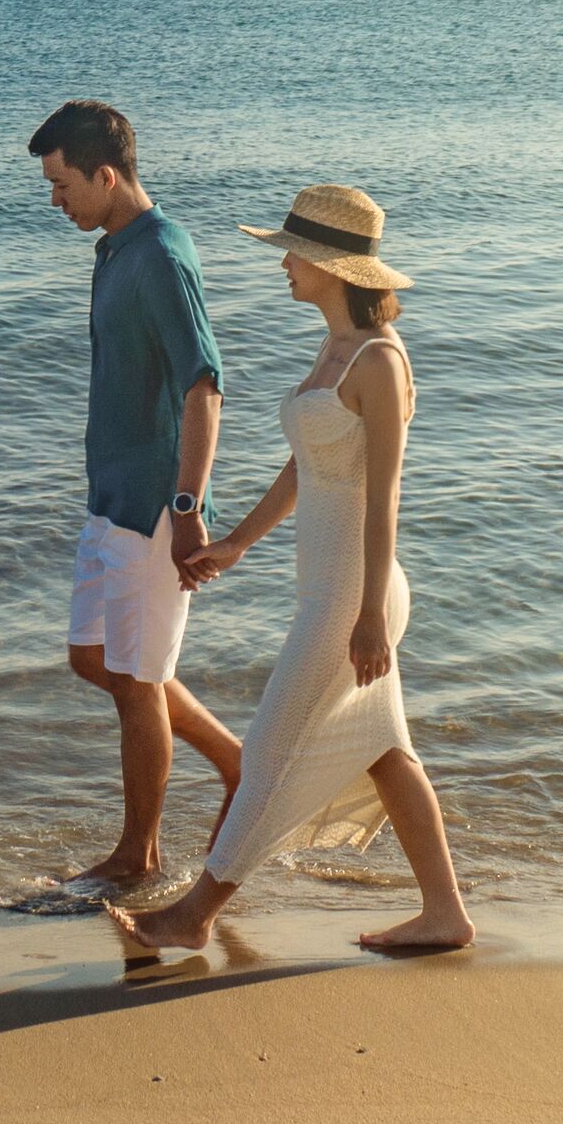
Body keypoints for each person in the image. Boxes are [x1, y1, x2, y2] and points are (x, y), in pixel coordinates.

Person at [108, 183, 476, 959]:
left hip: (353, 594)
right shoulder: (336, 346)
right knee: (386, 751)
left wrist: (370, 614)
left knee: (271, 749)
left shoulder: (379, 360)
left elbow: (384, 501)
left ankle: (193, 915)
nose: (282, 265)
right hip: (332, 588)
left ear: (329, 266)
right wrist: (238, 541)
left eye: (291, 253)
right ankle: (445, 913)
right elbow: (308, 465)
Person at [28, 99, 241, 888]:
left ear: (105, 175)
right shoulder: (114, 248)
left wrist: (186, 511)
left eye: (61, 185)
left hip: (154, 506)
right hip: (110, 498)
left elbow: (205, 385)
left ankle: (137, 859)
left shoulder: (160, 255)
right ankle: (236, 762)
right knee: (94, 659)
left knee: (140, 683)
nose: (55, 200)